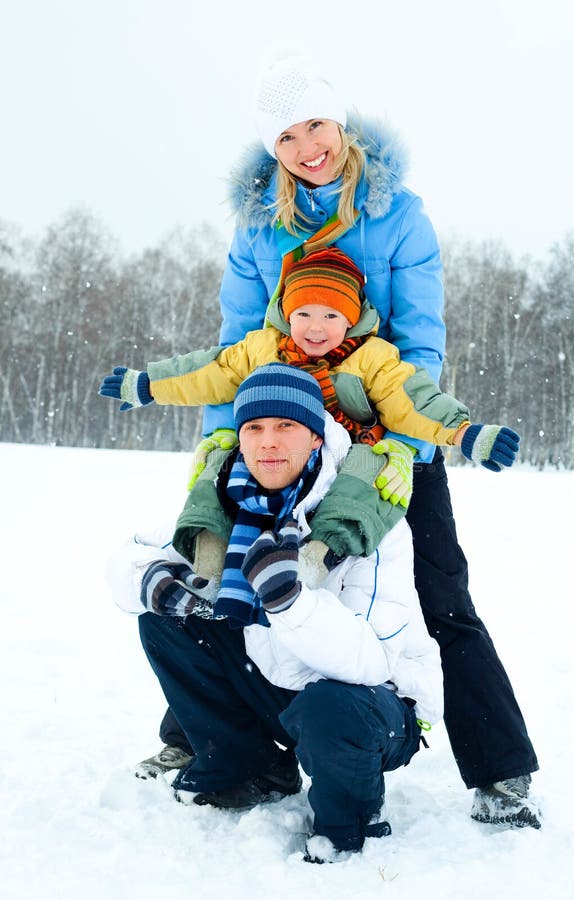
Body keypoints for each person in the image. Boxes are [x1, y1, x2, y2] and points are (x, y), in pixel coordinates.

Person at [125, 54, 540, 829]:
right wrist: (222, 452)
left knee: (439, 592)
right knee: (229, 572)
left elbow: (419, 338)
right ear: (271, 148)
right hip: (279, 435)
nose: (306, 146)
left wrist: (403, 449)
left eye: (315, 124)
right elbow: (234, 350)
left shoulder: (400, 214)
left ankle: (499, 770)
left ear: (338, 123)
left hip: (388, 431)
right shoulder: (258, 227)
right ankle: (203, 737)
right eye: (285, 136)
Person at [109, 364, 444, 863]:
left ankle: (346, 822)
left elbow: (370, 662)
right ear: (240, 439)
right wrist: (156, 583)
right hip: (278, 681)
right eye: (254, 428)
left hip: (377, 705)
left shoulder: (366, 518)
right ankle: (253, 768)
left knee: (332, 707)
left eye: (285, 426)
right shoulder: (224, 499)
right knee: (163, 619)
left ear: (314, 437)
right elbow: (130, 558)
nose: (269, 442)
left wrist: (290, 601)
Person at [99, 244, 521, 563]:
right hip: (277, 449)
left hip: (342, 451)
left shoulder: (370, 357)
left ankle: (324, 549)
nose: (315, 329)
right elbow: (212, 371)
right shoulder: (264, 348)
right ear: (286, 312)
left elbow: (410, 399)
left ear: (352, 319)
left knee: (371, 472)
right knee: (221, 461)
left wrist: (464, 432)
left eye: (331, 316)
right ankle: (208, 546)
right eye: (303, 314)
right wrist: (150, 385)